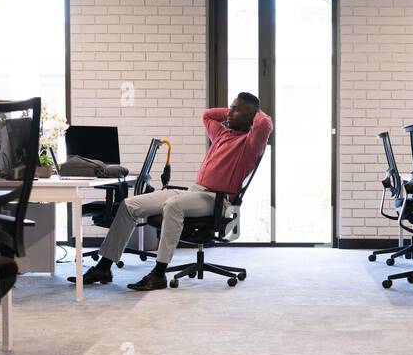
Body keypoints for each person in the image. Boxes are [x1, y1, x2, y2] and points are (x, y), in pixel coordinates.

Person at [73, 93, 273, 291]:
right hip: (194, 192)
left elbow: (265, 124)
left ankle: (159, 273)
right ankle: (104, 267)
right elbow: (208, 115)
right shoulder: (221, 134)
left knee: (173, 205)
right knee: (129, 205)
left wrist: (254, 111)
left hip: (216, 199)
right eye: (230, 107)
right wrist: (236, 111)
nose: (229, 112)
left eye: (236, 109)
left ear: (250, 116)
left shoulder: (250, 144)